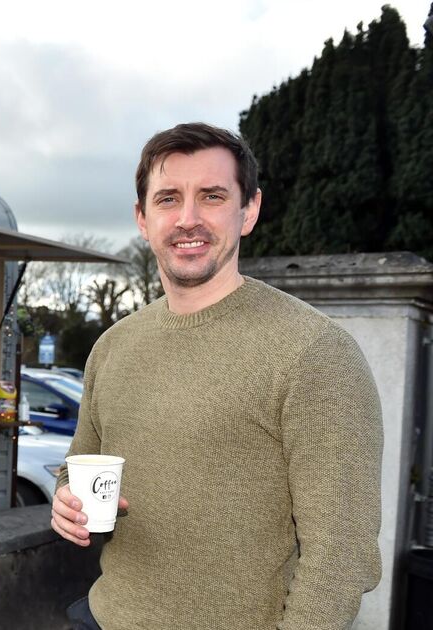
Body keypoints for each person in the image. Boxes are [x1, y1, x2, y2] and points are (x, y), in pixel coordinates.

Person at [50, 123, 382, 629]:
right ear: (142, 218)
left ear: (248, 211)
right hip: (103, 616)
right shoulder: (113, 346)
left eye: (211, 196)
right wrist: (67, 500)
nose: (188, 219)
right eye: (167, 199)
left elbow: (341, 556)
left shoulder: (315, 353)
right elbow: (77, 466)